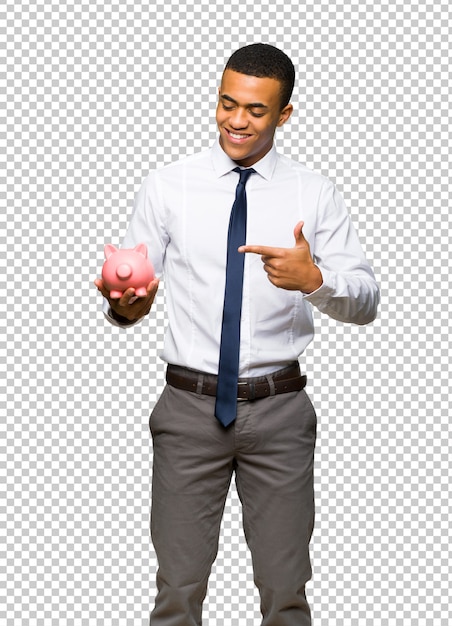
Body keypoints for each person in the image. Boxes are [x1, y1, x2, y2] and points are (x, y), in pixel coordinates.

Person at [95, 43, 379, 626]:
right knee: (176, 588)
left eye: (255, 110)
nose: (236, 121)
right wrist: (128, 306)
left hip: (280, 413)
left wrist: (315, 280)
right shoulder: (168, 184)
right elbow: (132, 299)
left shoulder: (313, 192)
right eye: (228, 104)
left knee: (285, 591)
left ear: (284, 115)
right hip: (187, 410)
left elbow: (366, 302)